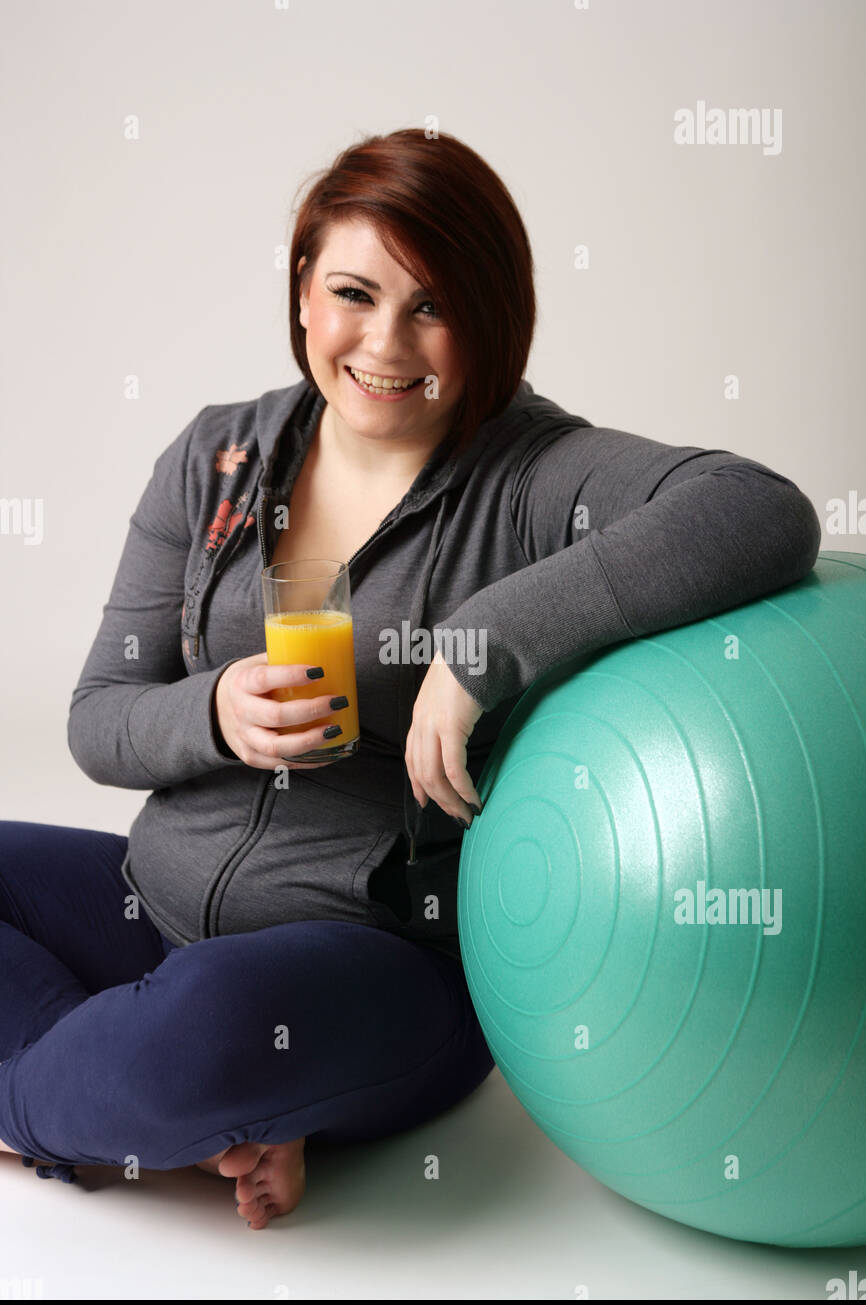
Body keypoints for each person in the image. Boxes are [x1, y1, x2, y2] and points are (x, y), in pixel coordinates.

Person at [0, 128, 821, 1230]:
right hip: (153, 904)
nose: (385, 342)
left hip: (383, 960)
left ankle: (83, 1096)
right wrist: (213, 714)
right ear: (301, 293)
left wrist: (487, 639)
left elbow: (756, 508)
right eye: (352, 292)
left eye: (431, 307)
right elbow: (98, 721)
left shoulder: (532, 474)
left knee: (209, 1026)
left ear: (488, 321)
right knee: (178, 1014)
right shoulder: (219, 457)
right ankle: (190, 1107)